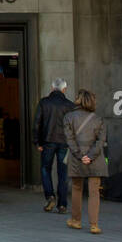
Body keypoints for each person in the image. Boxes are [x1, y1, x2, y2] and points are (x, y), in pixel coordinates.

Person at [63, 89, 107, 234]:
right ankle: (94, 224)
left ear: (78, 100)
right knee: (94, 192)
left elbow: (69, 139)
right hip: (95, 159)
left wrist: (79, 155)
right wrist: (91, 155)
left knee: (77, 188)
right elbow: (101, 141)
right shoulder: (98, 119)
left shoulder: (69, 117)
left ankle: (76, 221)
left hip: (77, 159)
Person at [34, 77, 73, 214]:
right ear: (64, 89)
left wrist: (37, 142)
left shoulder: (44, 103)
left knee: (45, 169)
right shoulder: (70, 105)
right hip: (65, 143)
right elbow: (72, 127)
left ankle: (50, 196)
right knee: (63, 173)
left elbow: (37, 123)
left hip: (47, 142)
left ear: (52, 88)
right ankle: (62, 205)